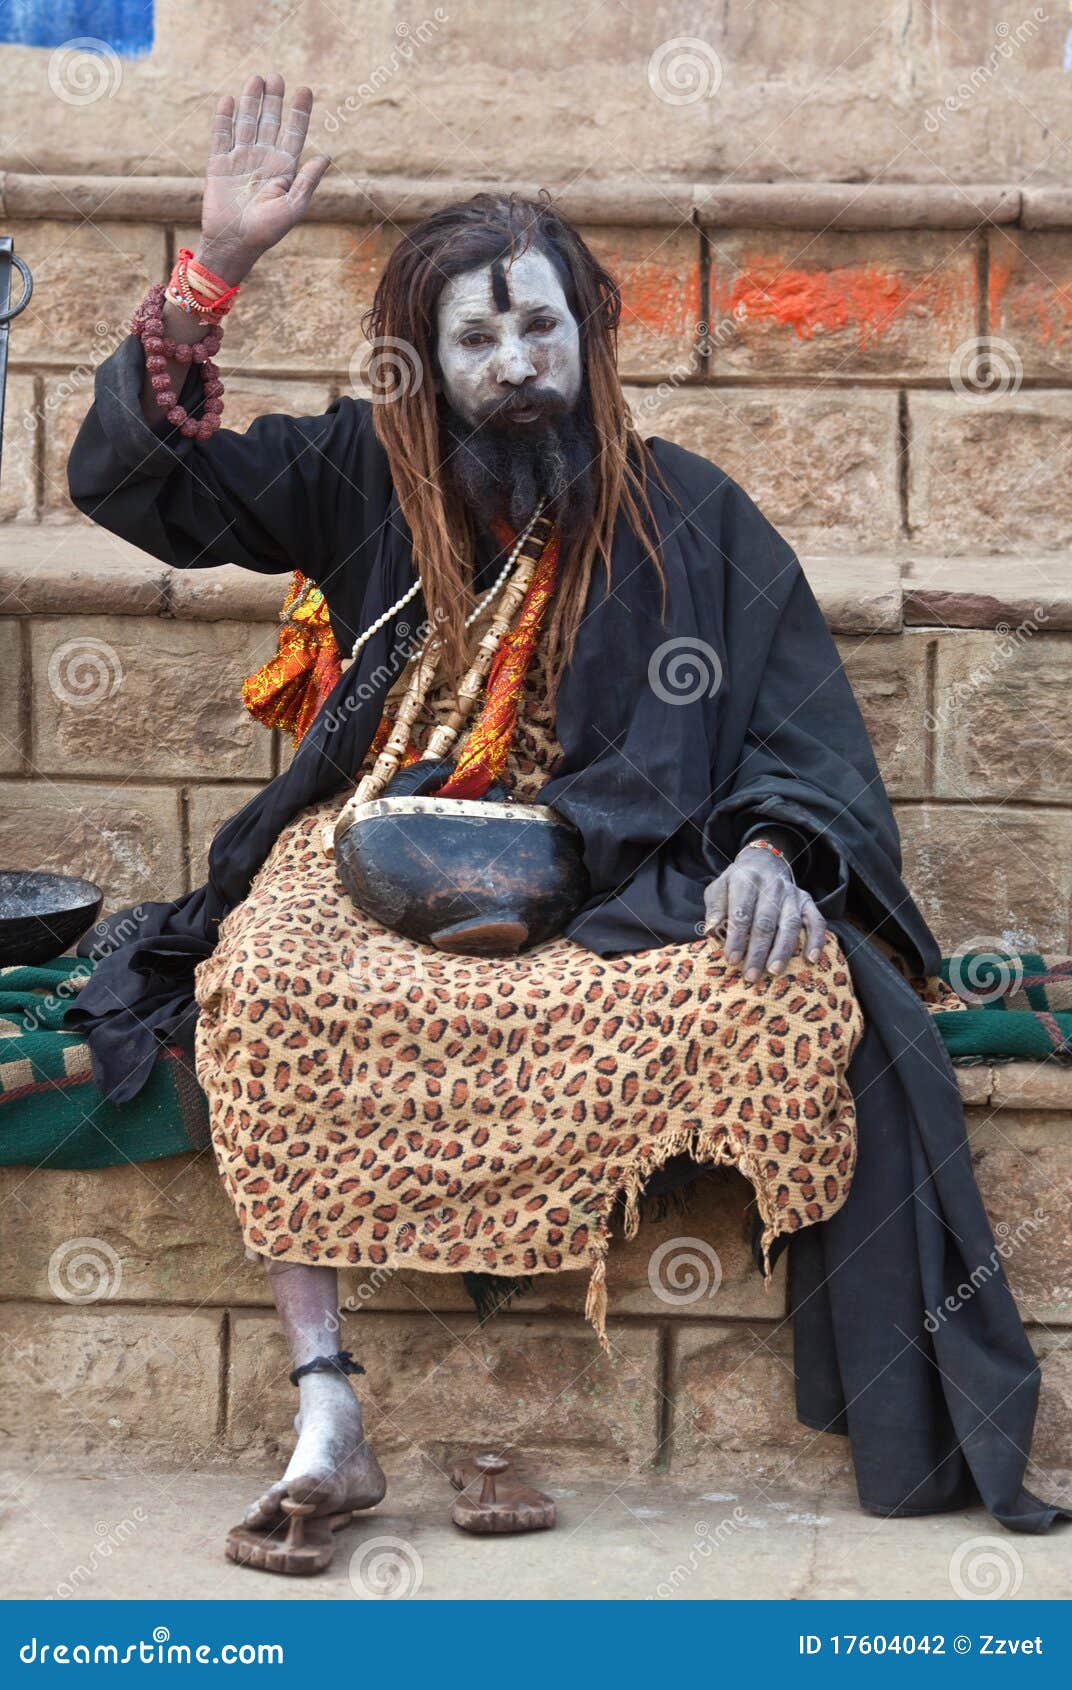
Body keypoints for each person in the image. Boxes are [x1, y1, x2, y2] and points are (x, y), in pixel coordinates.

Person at [65, 73, 1067, 1558]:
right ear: (426, 361)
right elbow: (133, 482)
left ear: (588, 336)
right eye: (475, 340)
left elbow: (798, 726)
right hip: (381, 852)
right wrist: (211, 274)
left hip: (624, 880)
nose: (516, 362)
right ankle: (328, 1410)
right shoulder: (359, 470)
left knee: (800, 999)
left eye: (539, 327)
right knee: (259, 982)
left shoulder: (693, 513)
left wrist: (776, 849)